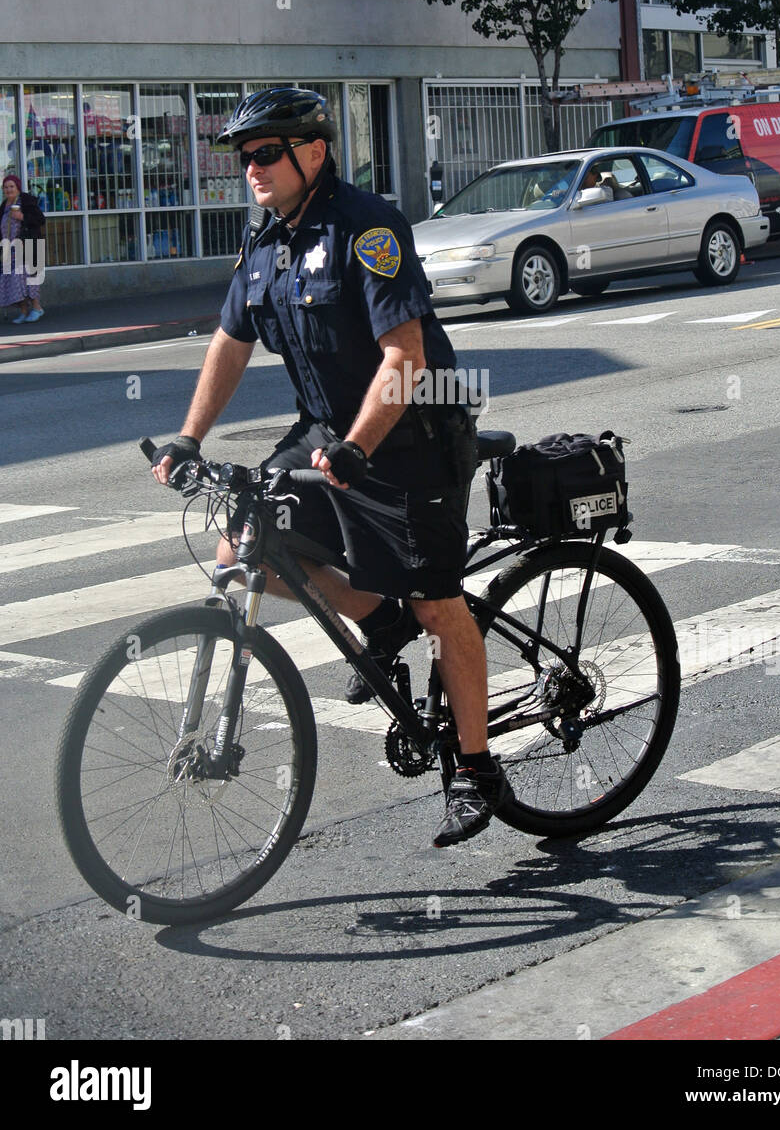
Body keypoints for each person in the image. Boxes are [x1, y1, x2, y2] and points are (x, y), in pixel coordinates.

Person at [150, 87, 511, 848]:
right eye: (244, 157)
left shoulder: (367, 227)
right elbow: (230, 342)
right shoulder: (267, 240)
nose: (252, 169)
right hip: (324, 433)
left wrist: (359, 447)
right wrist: (188, 436)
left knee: (437, 604)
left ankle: (477, 769)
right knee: (242, 553)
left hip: (410, 437)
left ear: (312, 152)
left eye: (265, 154)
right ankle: (377, 621)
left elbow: (405, 356)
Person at [0, 175, 45, 323]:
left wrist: (22, 216)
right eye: (6, 187)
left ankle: (37, 308)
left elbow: (40, 219)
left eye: (11, 186)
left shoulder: (26, 200)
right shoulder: (4, 205)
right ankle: (24, 312)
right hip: (9, 249)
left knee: (29, 279)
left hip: (27, 246)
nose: (8, 189)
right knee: (14, 282)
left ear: (17, 187)